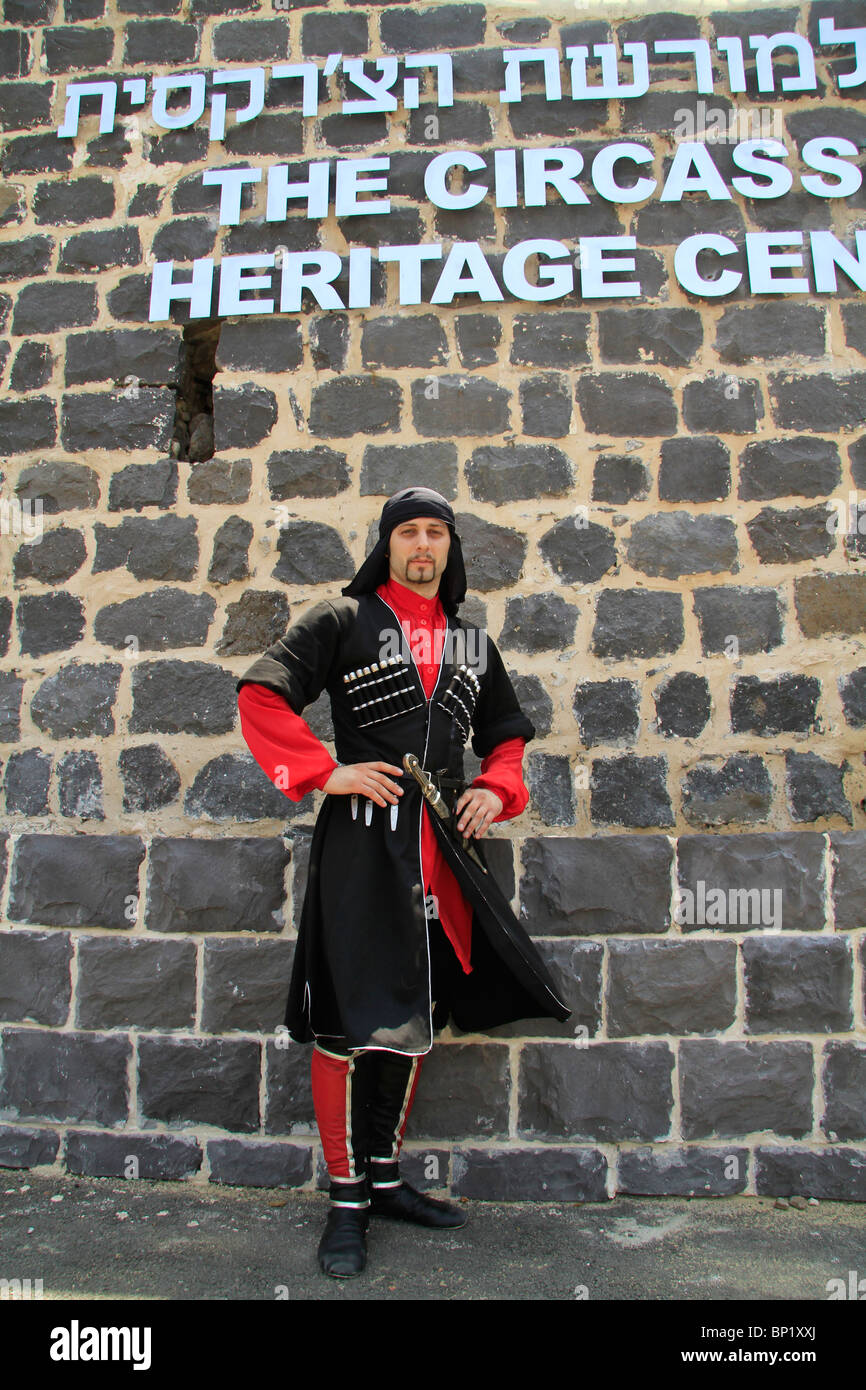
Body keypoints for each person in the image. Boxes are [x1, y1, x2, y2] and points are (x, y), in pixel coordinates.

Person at [235, 486, 569, 1278]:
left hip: (444, 856)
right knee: (346, 1027)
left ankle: (384, 1179)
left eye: (436, 533)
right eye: (408, 532)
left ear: (450, 549)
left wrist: (497, 789)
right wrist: (326, 773)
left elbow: (507, 738)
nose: (423, 545)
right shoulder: (340, 621)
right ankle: (346, 1198)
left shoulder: (471, 644)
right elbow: (259, 694)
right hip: (362, 849)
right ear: (387, 545)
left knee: (413, 1013)